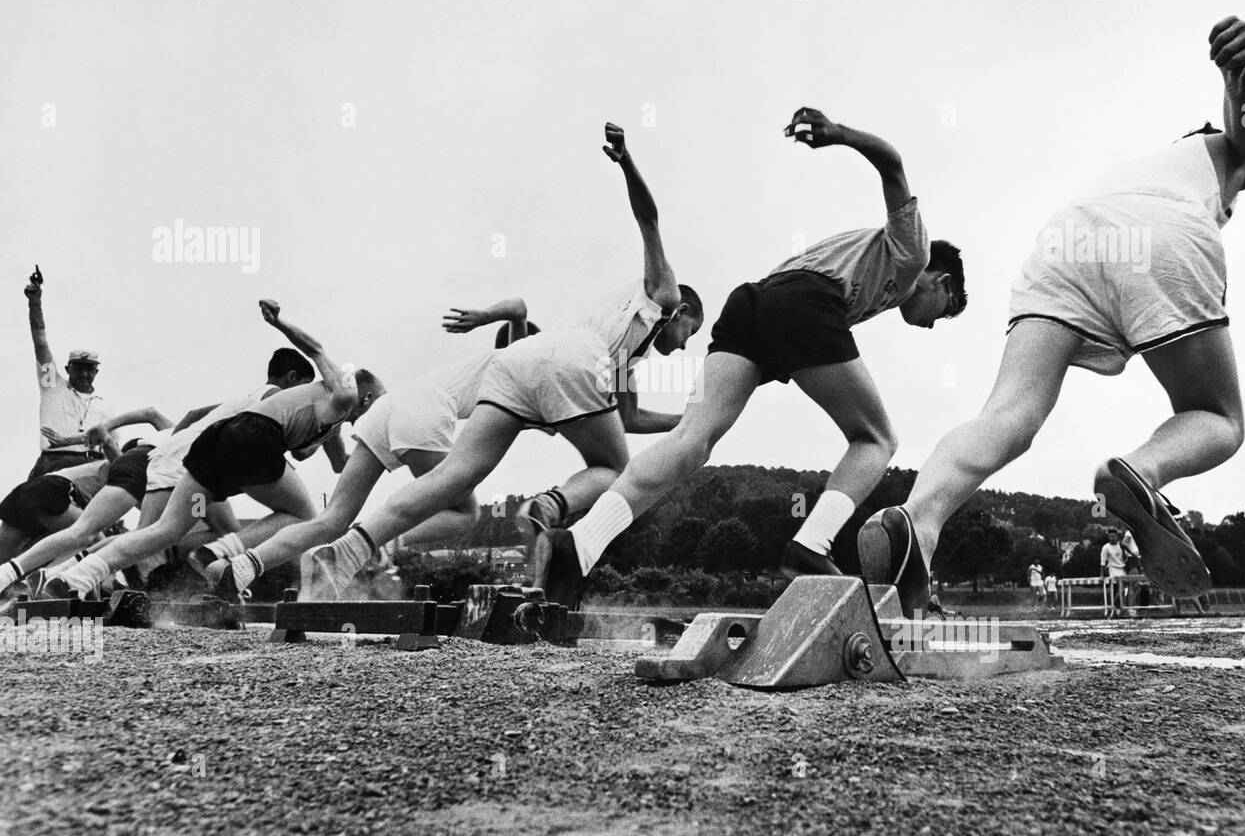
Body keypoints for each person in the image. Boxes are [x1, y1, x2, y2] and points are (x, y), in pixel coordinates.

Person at [861, 16, 1245, 611]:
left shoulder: (1141, 164)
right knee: (1216, 417)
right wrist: (1241, 77)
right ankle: (1138, 471)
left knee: (1008, 414)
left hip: (1067, 238)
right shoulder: (1213, 161)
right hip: (1160, 232)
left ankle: (916, 526)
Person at [535, 107, 965, 607]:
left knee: (692, 440)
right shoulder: (912, 253)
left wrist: (757, 373)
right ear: (943, 281)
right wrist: (838, 135)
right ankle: (812, 544)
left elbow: (784, 326)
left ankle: (581, 545)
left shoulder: (864, 270)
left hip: (750, 304)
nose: (934, 322)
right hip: (804, 305)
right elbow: (893, 164)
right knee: (876, 439)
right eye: (946, 310)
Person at [302, 122, 703, 599]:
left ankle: (350, 548)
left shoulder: (624, 350)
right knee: (615, 470)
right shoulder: (662, 293)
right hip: (575, 359)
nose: (681, 345)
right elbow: (649, 221)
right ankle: (548, 507)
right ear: (680, 312)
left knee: (454, 477)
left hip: (519, 361)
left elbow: (629, 417)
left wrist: (691, 420)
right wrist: (626, 162)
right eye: (688, 332)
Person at [44, 301, 382, 600]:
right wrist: (279, 322)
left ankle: (75, 577)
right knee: (305, 516)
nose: (374, 419)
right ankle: (218, 553)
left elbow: (340, 465)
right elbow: (317, 348)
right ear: (365, 399)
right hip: (252, 440)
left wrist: (376, 453)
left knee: (164, 531)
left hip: (215, 446)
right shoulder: (344, 395)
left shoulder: (329, 419)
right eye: (377, 409)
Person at [199, 299, 535, 597]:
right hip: (423, 410)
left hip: (387, 411)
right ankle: (375, 546)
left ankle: (243, 567)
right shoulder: (518, 357)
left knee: (331, 520)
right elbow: (519, 308)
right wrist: (486, 316)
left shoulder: (504, 380)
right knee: (465, 512)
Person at [0, 349, 315, 597]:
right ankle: (62, 573)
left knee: (180, 529)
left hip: (165, 461)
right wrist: (164, 445)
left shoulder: (231, 408)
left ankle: (67, 573)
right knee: (135, 534)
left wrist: (167, 442)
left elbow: (190, 415)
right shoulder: (269, 404)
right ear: (290, 380)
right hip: (163, 462)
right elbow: (155, 414)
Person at [23, 268, 167, 479]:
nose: (84, 373)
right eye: (79, 367)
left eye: (89, 369)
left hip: (95, 464)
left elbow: (111, 444)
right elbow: (40, 342)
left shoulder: (104, 405)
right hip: (55, 462)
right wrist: (35, 303)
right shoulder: (51, 385)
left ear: (96, 372)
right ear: (67, 369)